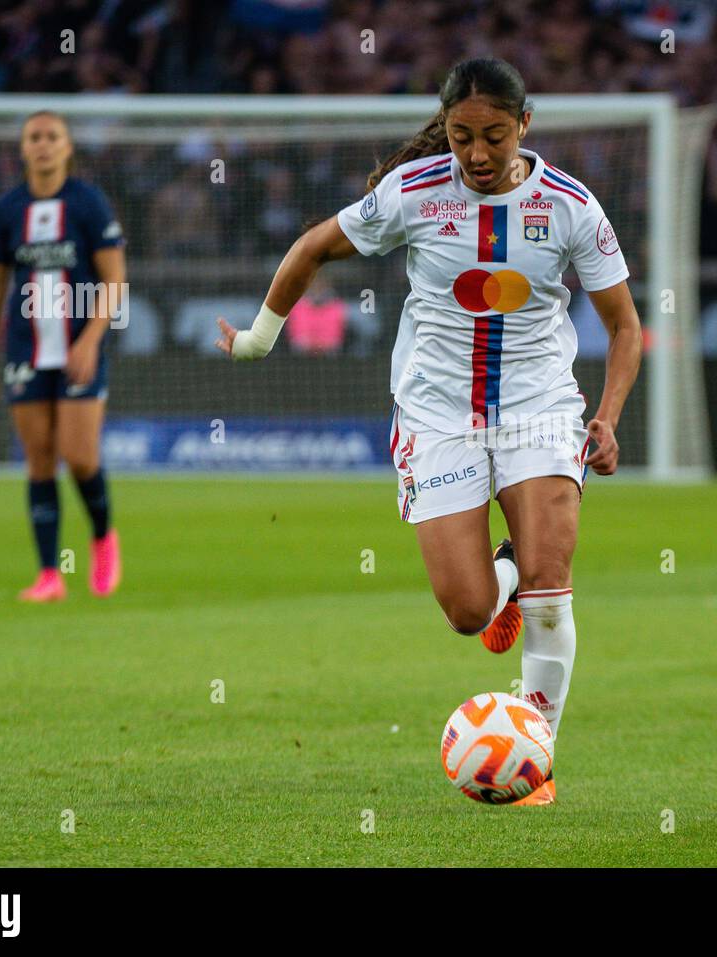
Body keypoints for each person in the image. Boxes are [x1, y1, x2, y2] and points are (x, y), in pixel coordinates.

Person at [216, 58, 642, 805]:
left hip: (539, 406)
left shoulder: (571, 207)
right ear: (444, 129)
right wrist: (258, 337)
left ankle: (536, 757)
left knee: (551, 591)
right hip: (437, 413)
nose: (477, 154)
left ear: (525, 126)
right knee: (468, 611)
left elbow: (624, 324)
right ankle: (502, 580)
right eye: (461, 136)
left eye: (495, 136)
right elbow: (315, 246)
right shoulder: (412, 194)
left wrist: (606, 415)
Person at [0, 110, 125, 602]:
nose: (42, 145)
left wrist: (91, 339)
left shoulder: (88, 203)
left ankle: (103, 537)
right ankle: (48, 575)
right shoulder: (7, 210)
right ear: (22, 149)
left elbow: (114, 280)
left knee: (80, 458)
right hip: (25, 348)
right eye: (33, 137)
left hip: (79, 346)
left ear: (67, 147)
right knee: (39, 460)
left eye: (51, 137)